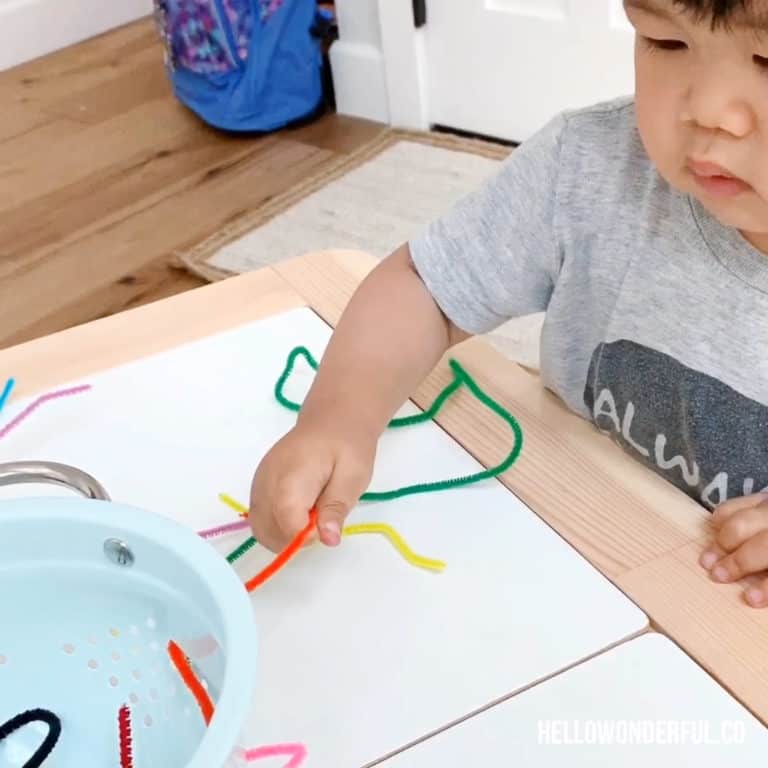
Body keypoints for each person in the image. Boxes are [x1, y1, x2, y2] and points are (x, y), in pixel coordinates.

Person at [249, 0, 768, 608]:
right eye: (663, 42)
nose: (707, 109)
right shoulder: (587, 164)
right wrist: (337, 420)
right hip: (563, 556)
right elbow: (425, 288)